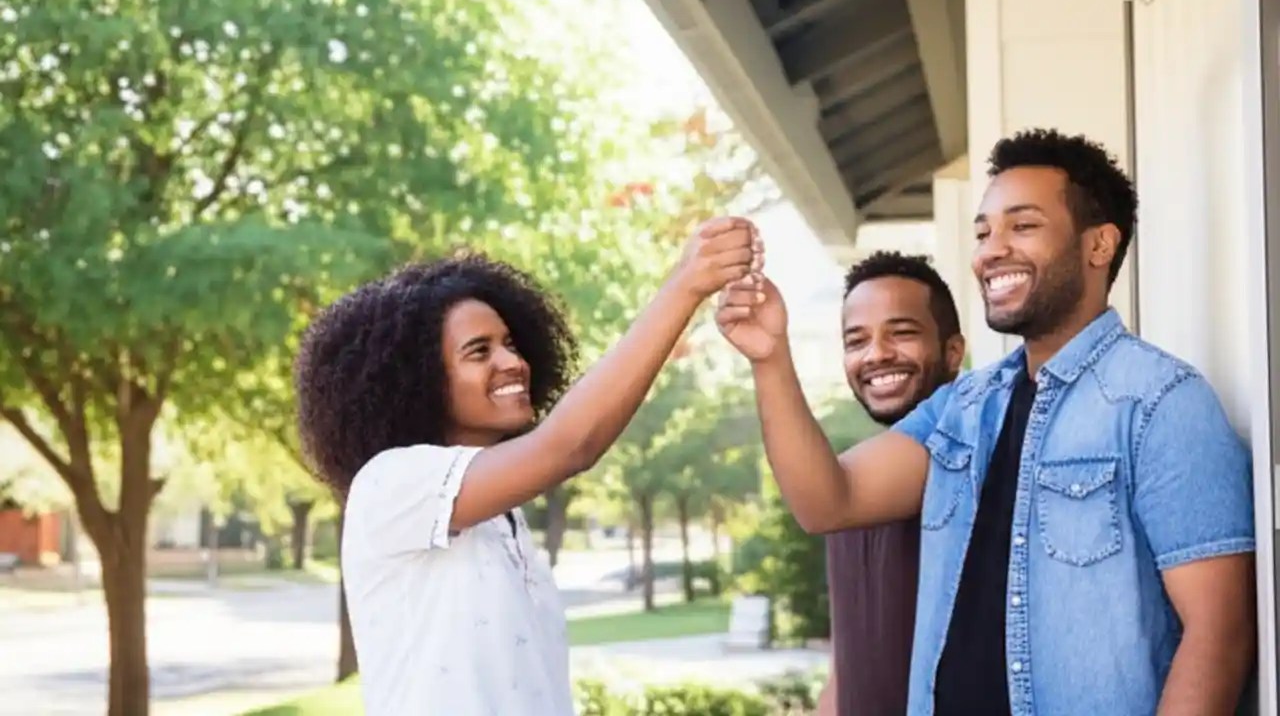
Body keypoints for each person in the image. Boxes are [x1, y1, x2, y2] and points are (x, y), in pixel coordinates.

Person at [717, 129, 1255, 715]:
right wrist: (771, 359)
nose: (990, 250)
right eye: (983, 232)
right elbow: (829, 500)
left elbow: (1218, 635)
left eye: (1022, 226)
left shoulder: (1161, 403)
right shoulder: (963, 408)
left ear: (1099, 244)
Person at [293, 217, 762, 715]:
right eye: (479, 351)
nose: (512, 362)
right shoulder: (390, 484)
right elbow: (571, 445)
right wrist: (685, 287)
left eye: (511, 344)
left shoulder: (502, 518)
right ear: (418, 379)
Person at [814, 251, 965, 716]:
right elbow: (846, 668)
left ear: (953, 352)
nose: (876, 354)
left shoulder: (969, 474)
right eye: (856, 340)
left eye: (902, 333)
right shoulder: (841, 489)